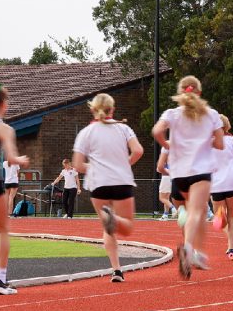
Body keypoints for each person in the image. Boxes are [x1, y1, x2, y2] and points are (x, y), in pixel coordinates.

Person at [152, 76, 224, 279]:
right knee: (196, 212)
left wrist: (167, 145)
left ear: (181, 91)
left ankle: (197, 254)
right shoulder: (211, 114)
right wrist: (205, 142)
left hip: (179, 172)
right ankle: (189, 248)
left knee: (192, 213)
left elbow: (157, 131)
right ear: (199, 92)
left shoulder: (172, 113)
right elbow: (220, 144)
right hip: (200, 171)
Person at [72, 93, 144, 283]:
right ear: (113, 109)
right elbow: (138, 151)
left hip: (98, 184)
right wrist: (124, 164)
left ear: (92, 110)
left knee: (108, 228)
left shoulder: (86, 132)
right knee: (126, 227)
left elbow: (78, 165)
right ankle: (114, 218)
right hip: (121, 181)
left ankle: (116, 270)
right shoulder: (123, 128)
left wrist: (95, 167)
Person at [0, 84, 30, 295]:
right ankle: (0, 280)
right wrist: (22, 160)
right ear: (3, 104)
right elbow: (11, 157)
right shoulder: (5, 128)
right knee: (3, 229)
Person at [211, 115, 233, 260]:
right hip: (232, 182)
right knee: (232, 217)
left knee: (219, 216)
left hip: (216, 184)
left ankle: (231, 245)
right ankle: (232, 249)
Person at [155, 149, 177, 220]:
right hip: (171, 179)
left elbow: (158, 169)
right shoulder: (173, 157)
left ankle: (173, 208)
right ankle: (165, 215)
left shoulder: (165, 156)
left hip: (165, 178)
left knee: (162, 198)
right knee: (166, 198)